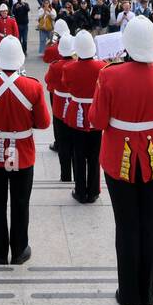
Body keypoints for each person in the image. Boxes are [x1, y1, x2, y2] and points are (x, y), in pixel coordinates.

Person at [91, 17, 153, 305]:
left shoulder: (109, 75)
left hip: (118, 155)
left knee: (126, 225)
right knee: (150, 224)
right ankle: (147, 291)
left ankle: (128, 291)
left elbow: (97, 120)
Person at [0, 35, 51, 265]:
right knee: (20, 202)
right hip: (22, 152)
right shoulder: (33, 86)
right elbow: (43, 123)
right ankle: (19, 249)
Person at [63, 30, 104, 204]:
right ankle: (93, 190)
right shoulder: (102, 65)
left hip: (77, 113)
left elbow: (66, 85)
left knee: (78, 155)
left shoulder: (69, 67)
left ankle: (80, 191)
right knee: (95, 155)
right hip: (96, 112)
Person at [44, 32, 76, 183]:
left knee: (63, 142)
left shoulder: (55, 66)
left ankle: (65, 175)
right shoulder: (76, 65)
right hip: (75, 106)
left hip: (59, 106)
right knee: (75, 142)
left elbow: (47, 80)